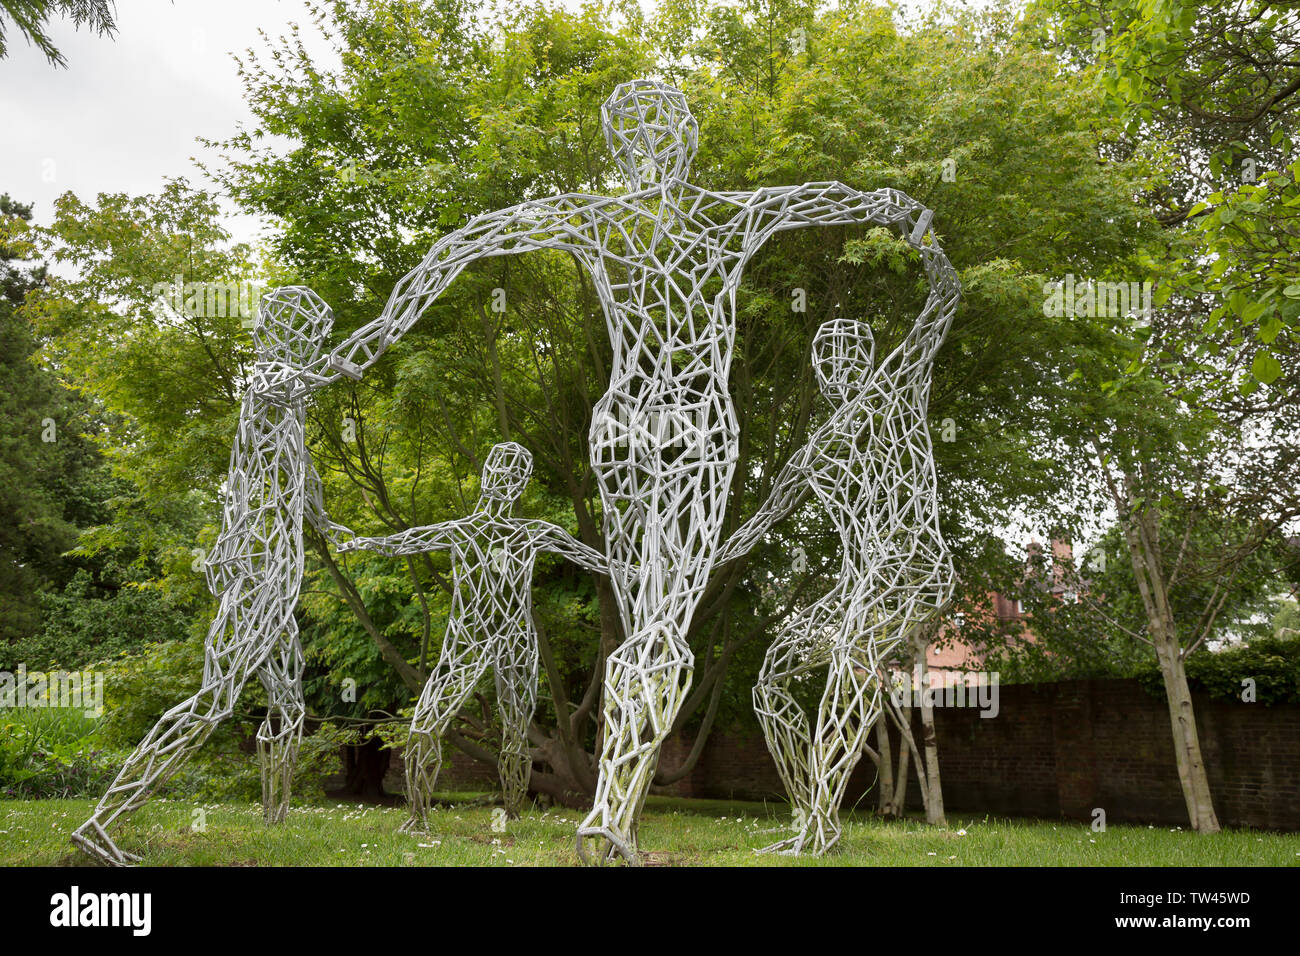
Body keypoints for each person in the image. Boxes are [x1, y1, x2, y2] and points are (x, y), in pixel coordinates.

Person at [318, 79, 959, 862]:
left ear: (687, 136)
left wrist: (895, 208)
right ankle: (613, 816)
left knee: (658, 627)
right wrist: (367, 340)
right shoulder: (604, 218)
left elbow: (822, 198)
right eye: (631, 132)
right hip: (627, 431)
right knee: (651, 623)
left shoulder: (730, 214)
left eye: (662, 127)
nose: (648, 143)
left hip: (691, 433)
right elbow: (473, 240)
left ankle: (613, 818)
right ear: (618, 147)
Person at [71, 287, 353, 866]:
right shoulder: (271, 381)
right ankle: (101, 824)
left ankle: (277, 814)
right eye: (305, 332)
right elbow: (317, 376)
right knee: (214, 699)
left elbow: (303, 478)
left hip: (275, 572)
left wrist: (332, 526)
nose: (311, 343)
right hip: (257, 569)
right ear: (276, 333)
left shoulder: (288, 409)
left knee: (289, 700)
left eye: (316, 334)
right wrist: (356, 350)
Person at [714, 296, 957, 854]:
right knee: (771, 682)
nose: (841, 366)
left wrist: (925, 246)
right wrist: (694, 564)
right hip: (859, 583)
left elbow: (940, 304)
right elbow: (760, 522)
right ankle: (811, 815)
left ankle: (820, 828)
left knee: (847, 660)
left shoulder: (896, 391)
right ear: (819, 368)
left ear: (870, 360)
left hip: (908, 565)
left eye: (853, 355)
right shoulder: (816, 451)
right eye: (830, 357)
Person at [338, 442, 608, 830]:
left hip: (516, 640)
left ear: (522, 485)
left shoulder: (533, 534)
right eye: (500, 471)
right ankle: (417, 817)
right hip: (469, 639)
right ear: (486, 476)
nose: (505, 480)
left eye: (514, 476)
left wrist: (643, 571)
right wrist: (360, 542)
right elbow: (403, 542)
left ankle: (513, 814)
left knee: (515, 732)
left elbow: (592, 559)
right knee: (426, 722)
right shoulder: (462, 531)